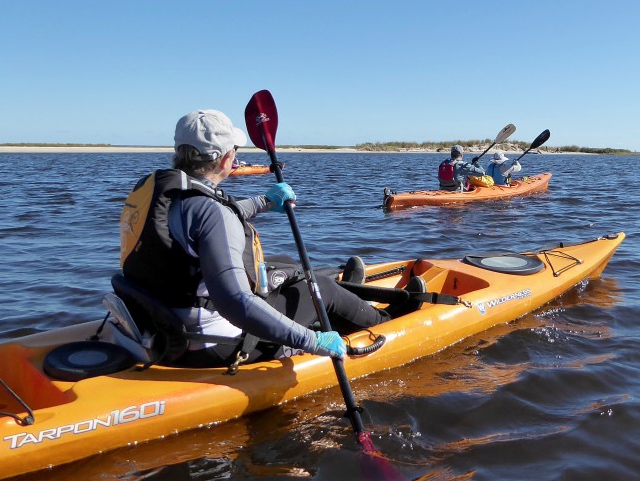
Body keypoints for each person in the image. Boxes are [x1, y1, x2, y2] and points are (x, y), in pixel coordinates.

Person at [119, 110, 419, 369]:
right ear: (226, 158)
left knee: (286, 265)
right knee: (321, 288)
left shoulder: (167, 193)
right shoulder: (209, 212)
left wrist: (265, 201)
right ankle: (386, 324)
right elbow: (236, 303)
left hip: (163, 319)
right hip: (212, 344)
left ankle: (341, 301)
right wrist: (311, 341)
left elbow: (212, 220)